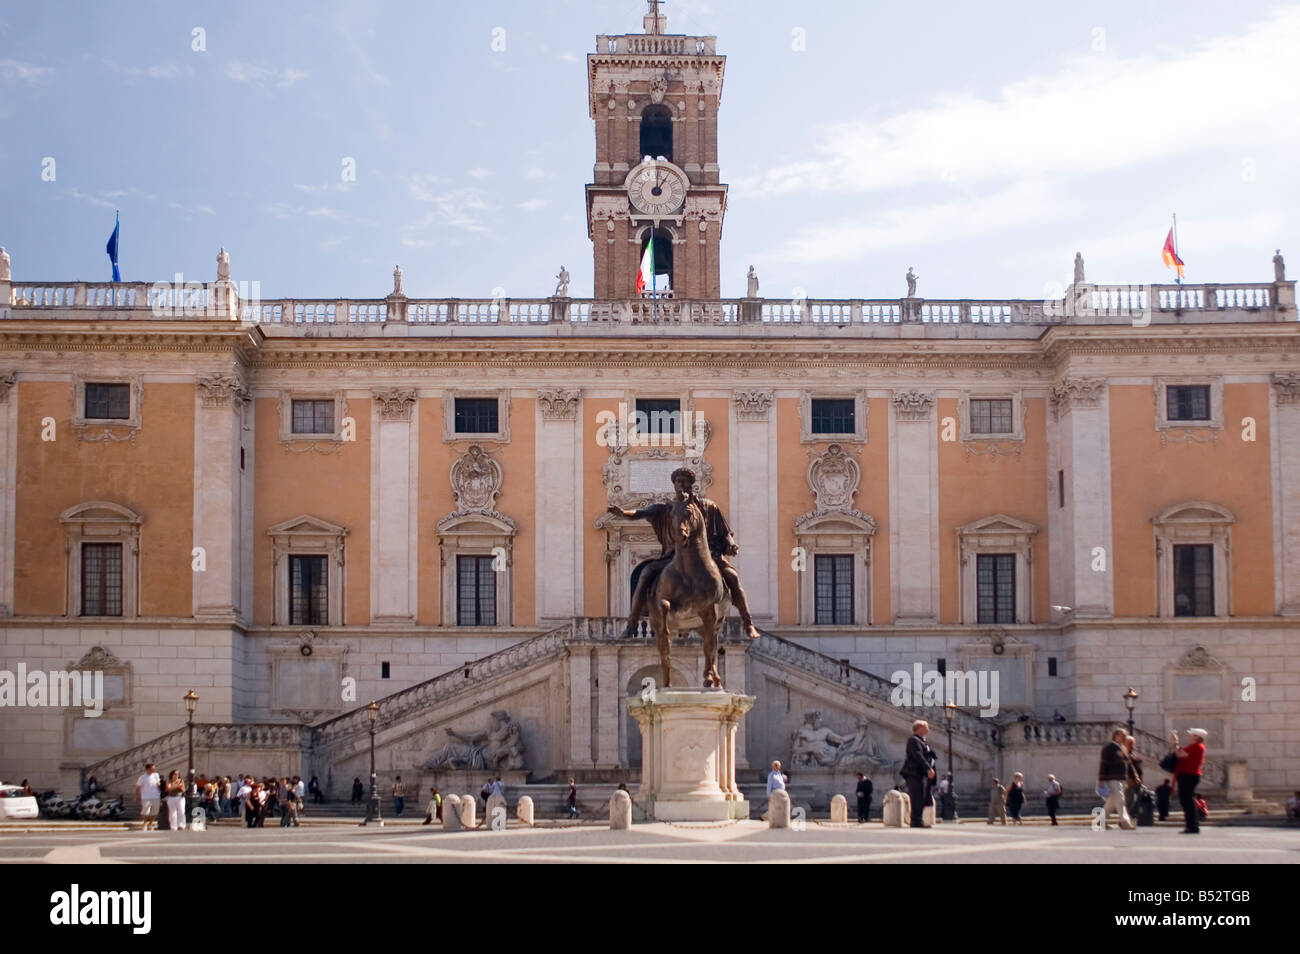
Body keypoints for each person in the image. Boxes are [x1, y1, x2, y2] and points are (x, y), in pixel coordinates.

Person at [610, 467, 760, 641]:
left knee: (732, 577)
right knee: (645, 574)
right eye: (678, 481)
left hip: (708, 555)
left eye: (685, 481)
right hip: (672, 556)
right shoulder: (665, 509)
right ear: (674, 485)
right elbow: (640, 513)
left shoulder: (708, 506)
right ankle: (632, 624)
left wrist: (732, 545)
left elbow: (725, 532)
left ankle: (748, 623)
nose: (682, 484)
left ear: (691, 484)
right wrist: (622, 513)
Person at [900, 720, 936, 828]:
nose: (928, 729)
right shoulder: (913, 740)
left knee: (922, 796)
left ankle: (918, 819)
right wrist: (928, 768)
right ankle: (916, 821)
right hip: (914, 773)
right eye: (926, 727)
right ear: (919, 728)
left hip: (920, 774)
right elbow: (918, 755)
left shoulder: (922, 741)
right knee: (917, 797)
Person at [1098, 726, 1135, 830]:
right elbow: (1103, 764)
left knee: (1112, 802)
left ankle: (1101, 821)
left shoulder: (1122, 748)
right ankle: (1125, 822)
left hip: (1121, 778)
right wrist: (1101, 779)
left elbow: (1127, 762)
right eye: (1124, 736)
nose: (1125, 737)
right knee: (1120, 800)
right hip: (1112, 778)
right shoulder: (1108, 748)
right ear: (1117, 736)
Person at [1170, 728, 1206, 834]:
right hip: (1187, 775)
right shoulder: (1193, 747)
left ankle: (1193, 826)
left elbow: (1179, 754)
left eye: (1191, 735)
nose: (1189, 736)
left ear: (1197, 737)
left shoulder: (1196, 747)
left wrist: (1175, 743)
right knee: (1186, 801)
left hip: (1189, 776)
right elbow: (1180, 753)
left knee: (1188, 802)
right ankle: (1191, 825)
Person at [135, 762, 161, 832]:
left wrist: (160, 785)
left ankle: (150, 824)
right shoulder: (142, 777)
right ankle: (144, 824)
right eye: (152, 769)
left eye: (154, 769)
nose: (153, 770)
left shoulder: (156, 775)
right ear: (147, 769)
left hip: (156, 796)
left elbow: (158, 783)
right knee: (145, 812)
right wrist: (137, 795)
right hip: (146, 797)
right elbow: (138, 787)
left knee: (155, 812)